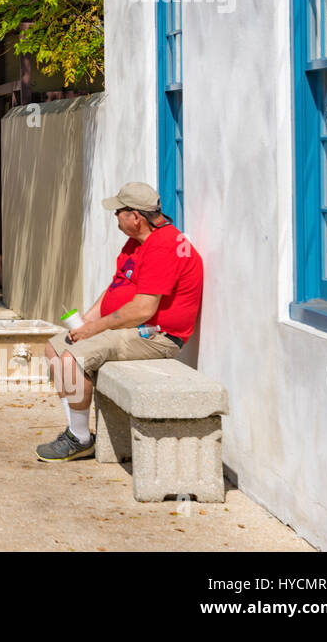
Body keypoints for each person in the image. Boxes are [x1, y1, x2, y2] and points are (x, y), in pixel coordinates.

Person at [36, 182, 204, 462]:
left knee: (71, 361)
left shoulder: (164, 246)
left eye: (118, 212)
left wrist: (94, 329)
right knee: (55, 349)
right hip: (130, 330)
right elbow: (115, 289)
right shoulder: (137, 242)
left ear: (135, 217)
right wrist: (86, 322)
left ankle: (79, 439)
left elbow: (142, 309)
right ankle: (78, 430)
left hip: (156, 336)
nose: (115, 217)